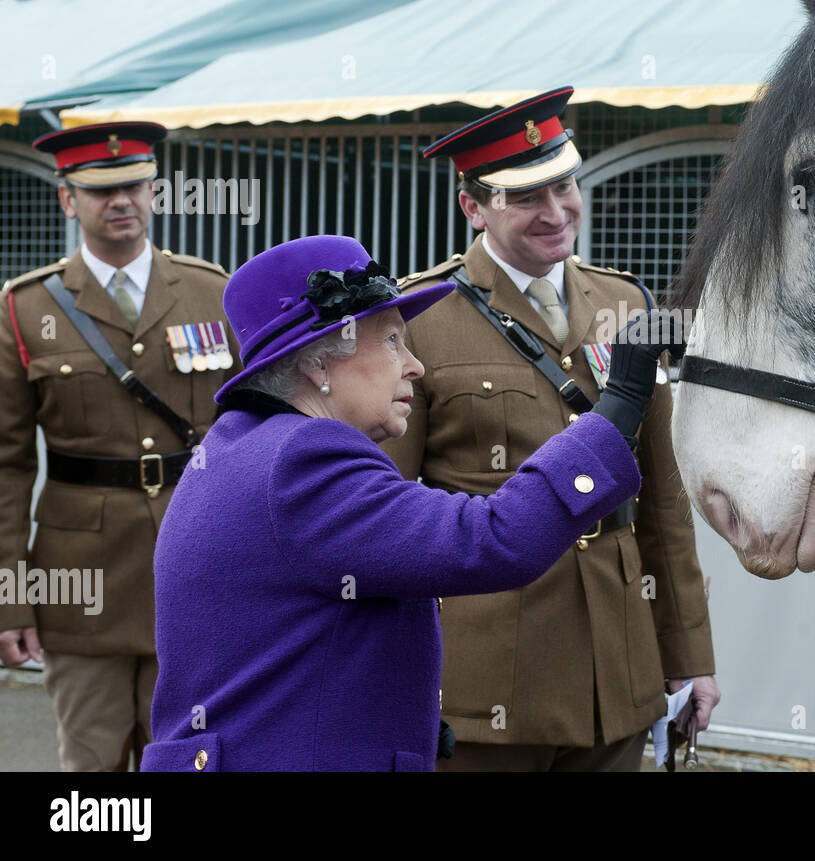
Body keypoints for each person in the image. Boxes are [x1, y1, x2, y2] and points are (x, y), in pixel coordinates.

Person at [141, 235, 677, 771]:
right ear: (319, 365)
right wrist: (618, 408)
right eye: (394, 341)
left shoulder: (243, 441)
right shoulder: (306, 458)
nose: (415, 365)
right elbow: (494, 541)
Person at [382, 87, 719, 771]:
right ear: (473, 207)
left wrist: (688, 657)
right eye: (527, 196)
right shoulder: (420, 317)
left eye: (564, 184)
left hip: (614, 673)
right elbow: (389, 515)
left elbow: (663, 502)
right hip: (487, 684)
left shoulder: (626, 303)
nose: (556, 211)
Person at [0, 121, 235, 771]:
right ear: (66, 199)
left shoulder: (211, 290)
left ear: (156, 191)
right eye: (101, 190)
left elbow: (253, 429)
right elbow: (7, 465)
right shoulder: (22, 309)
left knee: (194, 759)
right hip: (82, 589)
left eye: (133, 185)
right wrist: (10, 596)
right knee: (93, 767)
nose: (122, 201)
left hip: (197, 572)